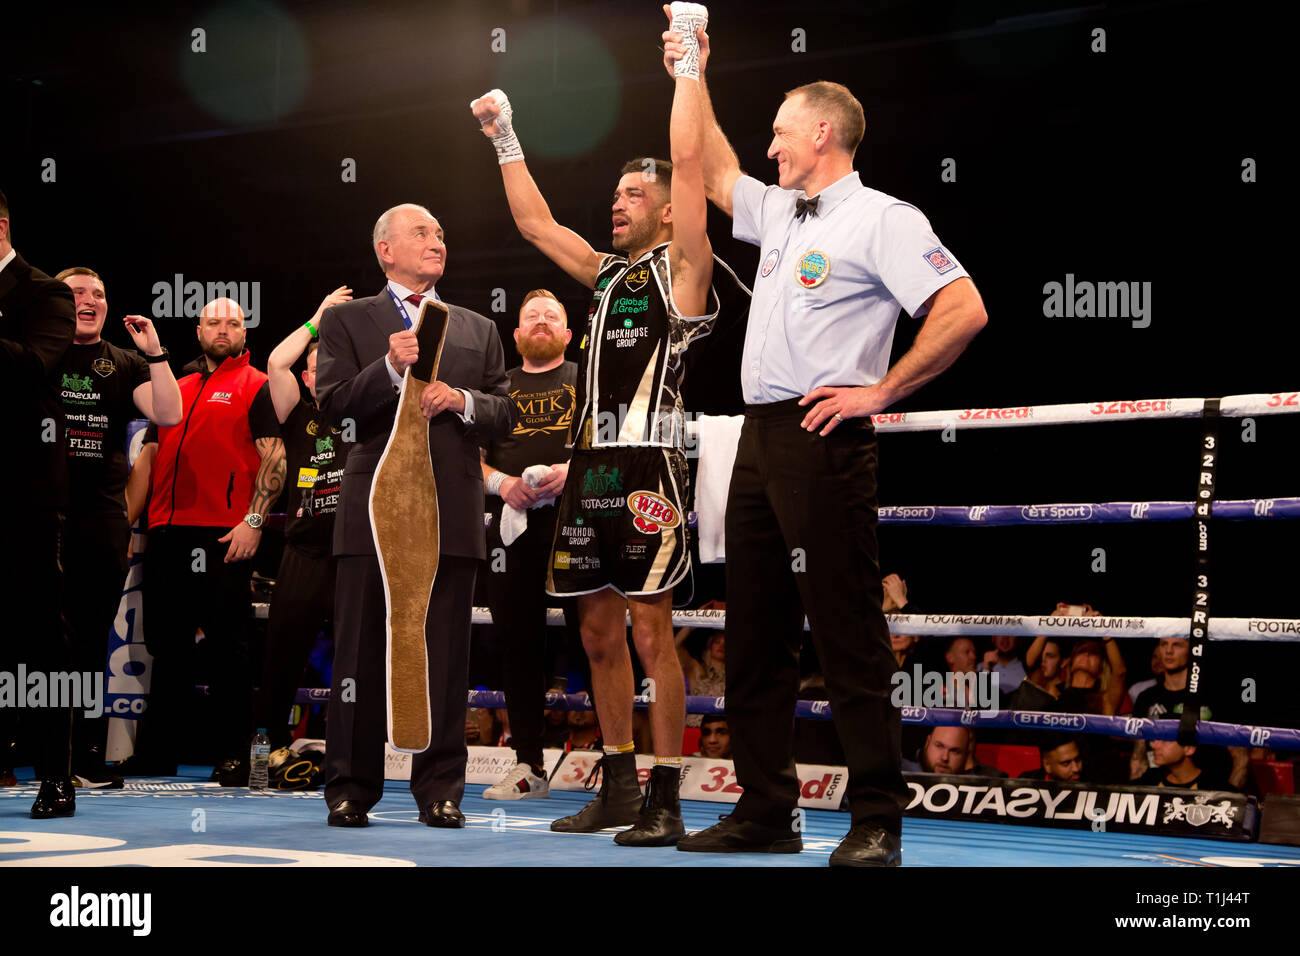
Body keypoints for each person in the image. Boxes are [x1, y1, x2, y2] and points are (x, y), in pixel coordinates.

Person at [662, 19, 987, 866]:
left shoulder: (883, 219)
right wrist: (691, 65)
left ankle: (877, 818)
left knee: (847, 635)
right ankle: (766, 810)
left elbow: (963, 309)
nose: (768, 148)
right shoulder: (781, 211)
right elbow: (711, 165)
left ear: (821, 132)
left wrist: (880, 391)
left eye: (780, 133)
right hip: (759, 438)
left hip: (825, 435)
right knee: (754, 633)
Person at [470, 19, 725, 847]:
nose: (617, 203)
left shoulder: (684, 267)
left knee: (653, 633)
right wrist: (505, 135)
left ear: (669, 210)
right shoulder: (608, 274)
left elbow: (688, 159)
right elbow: (538, 227)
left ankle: (666, 797)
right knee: (596, 633)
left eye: (633, 195)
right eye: (614, 194)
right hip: (589, 470)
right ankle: (617, 786)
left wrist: (687, 66)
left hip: (650, 465)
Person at [314, 203, 513, 829]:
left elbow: (505, 413)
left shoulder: (478, 327)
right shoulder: (346, 319)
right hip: (372, 511)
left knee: (445, 655)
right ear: (386, 250)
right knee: (359, 652)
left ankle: (440, 790)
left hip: (451, 509)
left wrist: (463, 400)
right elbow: (331, 410)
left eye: (441, 234)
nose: (437, 241)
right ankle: (350, 787)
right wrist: (387, 368)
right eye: (422, 233)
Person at [130, 297, 286, 781]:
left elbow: (275, 457)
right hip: (166, 532)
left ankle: (235, 754)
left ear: (244, 332)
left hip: (222, 534)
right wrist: (126, 525)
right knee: (166, 646)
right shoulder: (173, 387)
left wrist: (254, 522)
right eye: (214, 322)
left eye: (233, 323)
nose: (223, 330)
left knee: (227, 648)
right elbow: (149, 458)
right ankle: (157, 754)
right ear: (198, 331)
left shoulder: (256, 384)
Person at [53, 267, 182, 788]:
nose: (90, 300)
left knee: (89, 637)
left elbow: (169, 414)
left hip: (100, 515)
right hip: (37, 511)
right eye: (76, 293)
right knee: (25, 632)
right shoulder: (35, 353)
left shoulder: (124, 362)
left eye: (99, 294)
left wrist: (155, 353)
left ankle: (83, 757)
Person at [479, 290, 582, 801]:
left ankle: (619, 764)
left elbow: (619, 442)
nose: (542, 322)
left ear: (567, 334)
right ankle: (528, 766)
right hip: (512, 531)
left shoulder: (588, 379)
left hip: (581, 524)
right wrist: (502, 484)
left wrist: (574, 470)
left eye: (552, 316)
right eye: (531, 317)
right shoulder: (496, 388)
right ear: (516, 335)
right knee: (518, 645)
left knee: (598, 640)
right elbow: (466, 456)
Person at [0, 188, 77, 817]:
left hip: (21, 491)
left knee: (39, 634)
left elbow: (30, 366)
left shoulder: (45, 292)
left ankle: (56, 774)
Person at [253, 287, 355, 749]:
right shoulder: (297, 413)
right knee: (281, 654)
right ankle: (267, 753)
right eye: (316, 368)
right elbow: (276, 363)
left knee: (359, 658)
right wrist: (317, 318)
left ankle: (355, 754)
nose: (324, 373)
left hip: (356, 554)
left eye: (333, 366)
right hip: (304, 551)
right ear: (307, 377)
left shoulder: (367, 411)